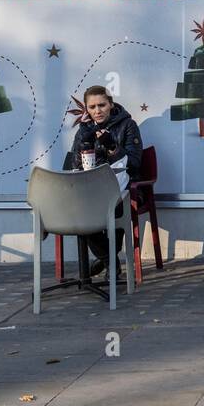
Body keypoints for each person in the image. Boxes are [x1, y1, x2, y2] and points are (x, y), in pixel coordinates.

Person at [69, 85, 143, 276]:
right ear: (86, 109)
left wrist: (112, 147)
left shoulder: (128, 125)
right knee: (77, 211)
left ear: (110, 104)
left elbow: (134, 163)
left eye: (101, 105)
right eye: (92, 107)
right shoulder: (84, 128)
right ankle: (109, 259)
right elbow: (74, 164)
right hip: (91, 187)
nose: (97, 111)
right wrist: (84, 142)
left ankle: (106, 259)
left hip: (122, 187)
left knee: (112, 206)